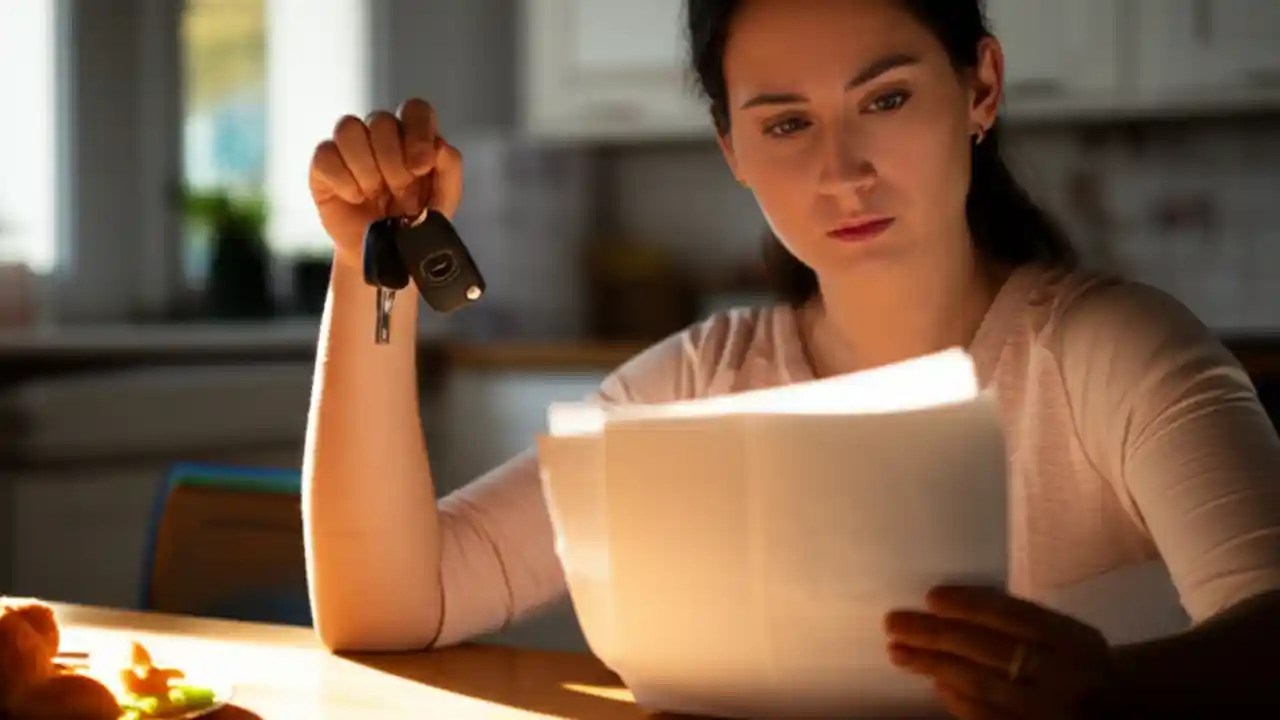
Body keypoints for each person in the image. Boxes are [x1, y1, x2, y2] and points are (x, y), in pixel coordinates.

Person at [303, 0, 1280, 716]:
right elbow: (391, 605)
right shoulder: (692, 383)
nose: (840, 170)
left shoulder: (1112, 353)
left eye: (885, 98)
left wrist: (1114, 690)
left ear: (979, 87)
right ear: (730, 146)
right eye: (783, 123)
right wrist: (367, 267)